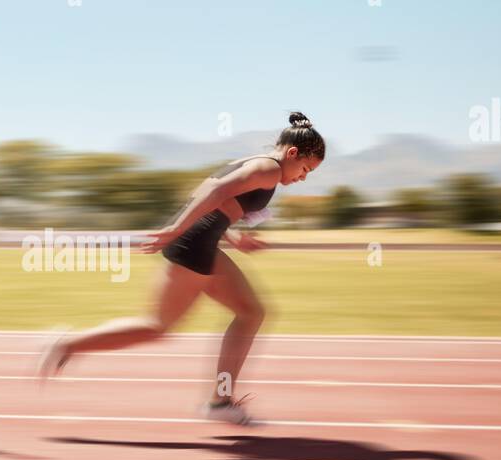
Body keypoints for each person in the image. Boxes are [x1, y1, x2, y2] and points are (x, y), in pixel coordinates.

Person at [38, 112, 326, 425]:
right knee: (157, 326)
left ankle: (221, 402)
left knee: (250, 312)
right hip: (194, 245)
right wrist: (174, 229)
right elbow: (213, 193)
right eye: (305, 169)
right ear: (293, 153)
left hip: (204, 242)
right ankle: (66, 344)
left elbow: (217, 195)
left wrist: (233, 235)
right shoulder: (269, 169)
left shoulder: (256, 162)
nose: (303, 178)